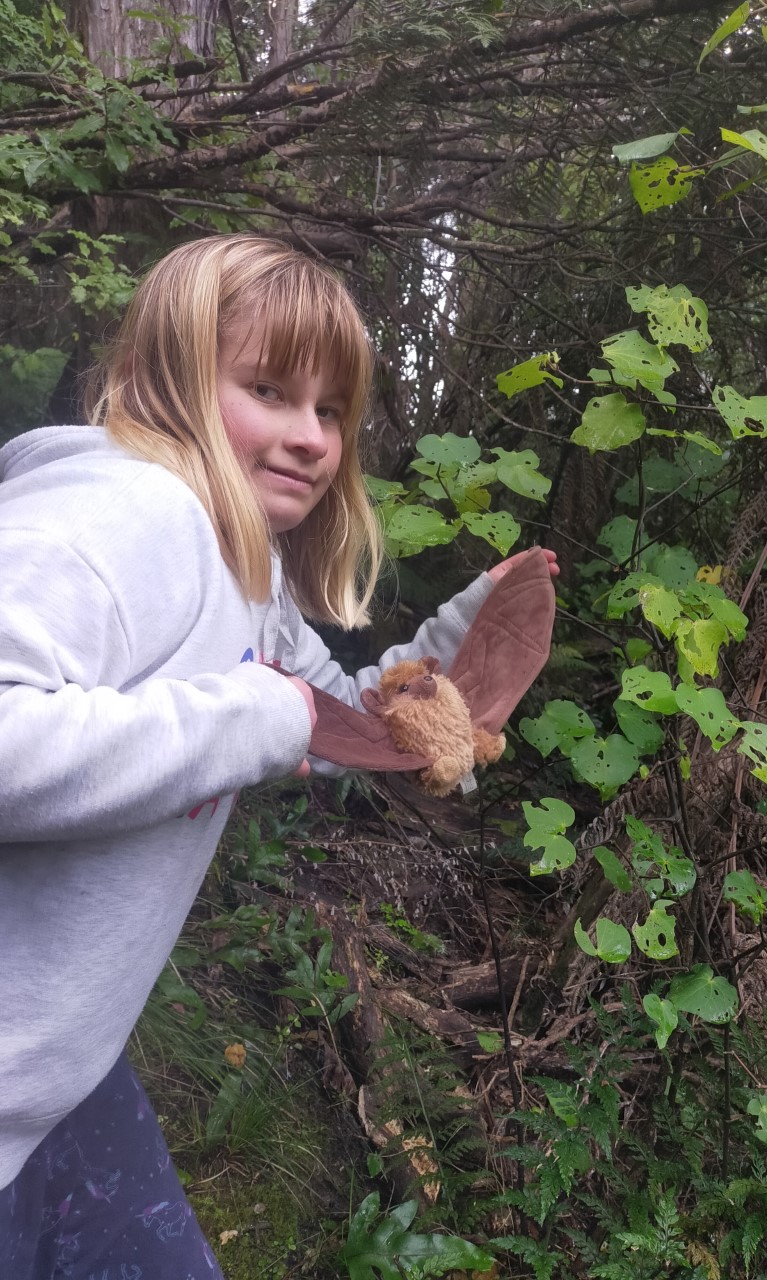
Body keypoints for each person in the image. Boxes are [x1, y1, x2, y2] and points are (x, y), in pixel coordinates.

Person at [0, 233, 558, 1279]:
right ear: (166, 376)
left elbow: (329, 713)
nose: (311, 437)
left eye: (333, 410)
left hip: (58, 1086)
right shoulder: (118, 515)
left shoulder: (242, 571)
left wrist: (450, 659)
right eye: (269, 389)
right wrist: (251, 718)